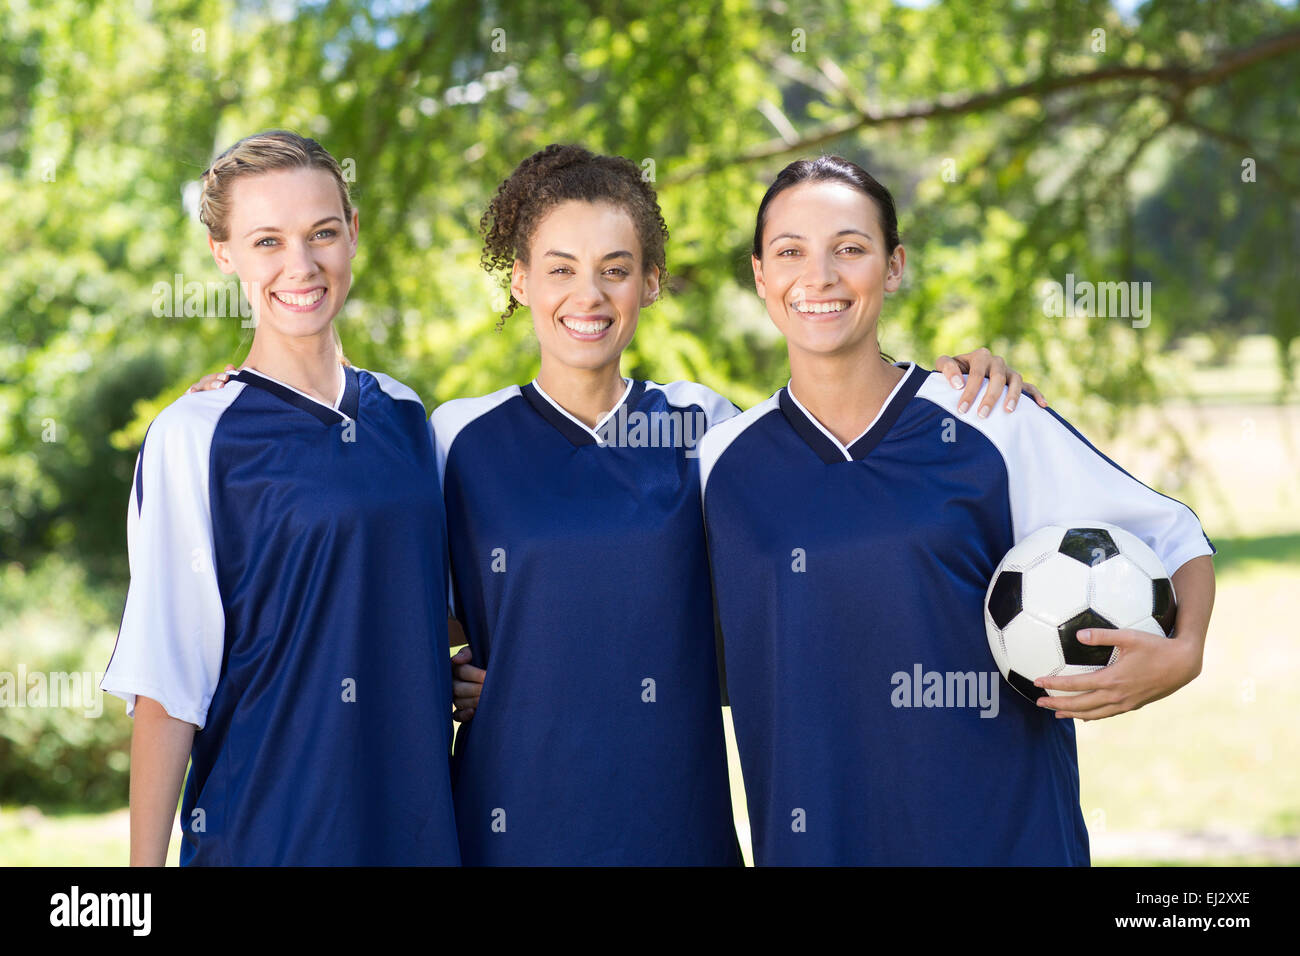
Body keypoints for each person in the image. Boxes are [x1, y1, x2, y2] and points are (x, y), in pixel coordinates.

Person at [189, 144, 1039, 865]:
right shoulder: (454, 438)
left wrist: (958, 382)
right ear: (519, 281)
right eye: (559, 269)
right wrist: (446, 669)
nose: (586, 297)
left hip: (680, 825)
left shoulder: (710, 431)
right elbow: (385, 586)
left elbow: (837, 502)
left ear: (652, 283)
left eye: (615, 270)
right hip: (509, 825)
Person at [697, 155, 1217, 865]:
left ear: (894, 265)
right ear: (761, 275)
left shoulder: (988, 418)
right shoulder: (716, 463)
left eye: (850, 249)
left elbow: (1175, 536)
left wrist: (1183, 654)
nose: (819, 276)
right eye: (790, 251)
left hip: (1008, 840)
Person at [101, 130, 460, 866]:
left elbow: (416, 603)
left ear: (353, 234)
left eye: (322, 233)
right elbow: (169, 684)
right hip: (265, 837)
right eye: (267, 241)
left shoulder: (405, 415)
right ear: (222, 252)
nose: (301, 265)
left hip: (415, 835)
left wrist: (479, 666)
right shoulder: (193, 437)